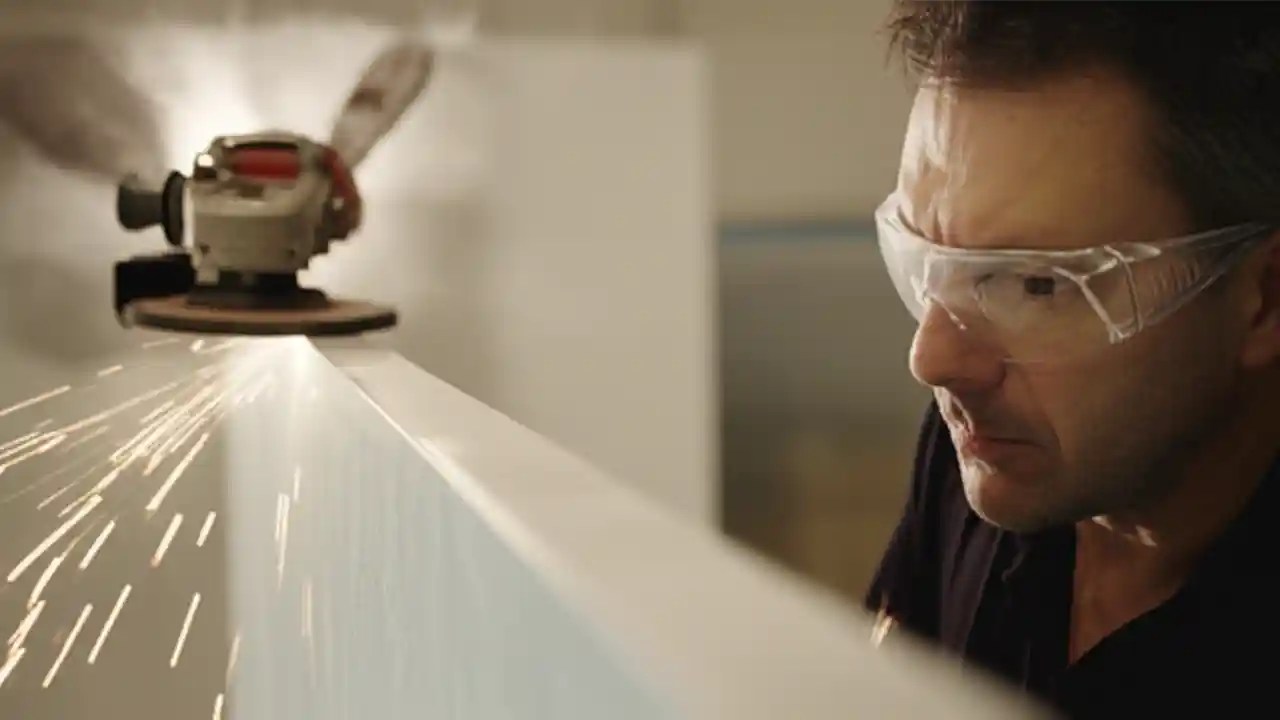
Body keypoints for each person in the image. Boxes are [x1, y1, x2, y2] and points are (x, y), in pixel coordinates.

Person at [864, 2, 1280, 716]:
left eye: (1036, 285)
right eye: (927, 263)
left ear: (1264, 300)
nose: (933, 359)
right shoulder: (985, 455)